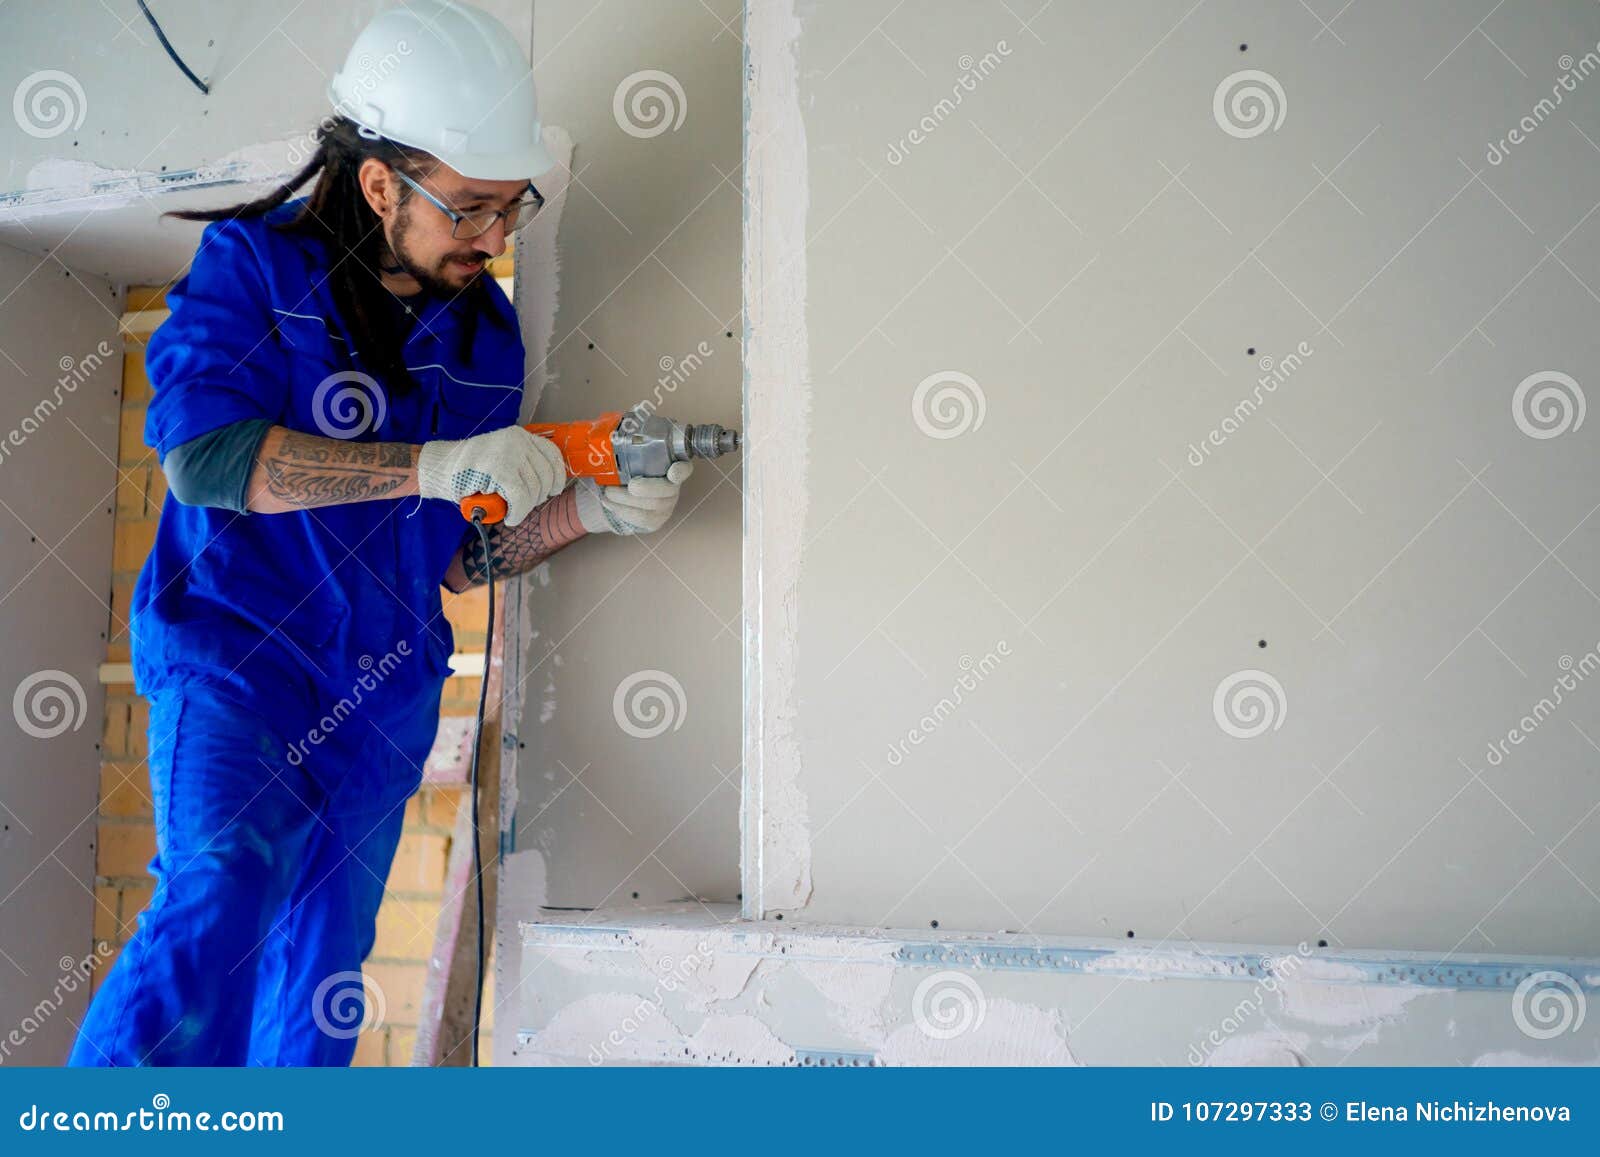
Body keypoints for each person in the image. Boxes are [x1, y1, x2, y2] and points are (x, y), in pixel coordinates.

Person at [68, 0, 689, 1066]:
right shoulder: (253, 268)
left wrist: (582, 514)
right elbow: (207, 460)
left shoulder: (483, 334)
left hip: (383, 686)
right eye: (471, 210)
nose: (494, 239)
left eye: (511, 209)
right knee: (223, 892)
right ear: (378, 183)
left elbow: (446, 551)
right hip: (239, 660)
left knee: (320, 976)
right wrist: (432, 465)